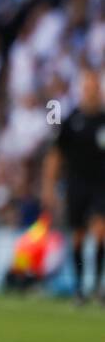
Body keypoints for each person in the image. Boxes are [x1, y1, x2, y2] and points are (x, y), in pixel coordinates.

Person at [41, 68, 105, 304]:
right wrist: (49, 185)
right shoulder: (70, 120)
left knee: (100, 232)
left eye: (95, 88)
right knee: (78, 236)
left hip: (101, 185)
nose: (92, 92)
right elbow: (55, 155)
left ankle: (98, 286)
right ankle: (79, 288)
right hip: (76, 184)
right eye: (88, 88)